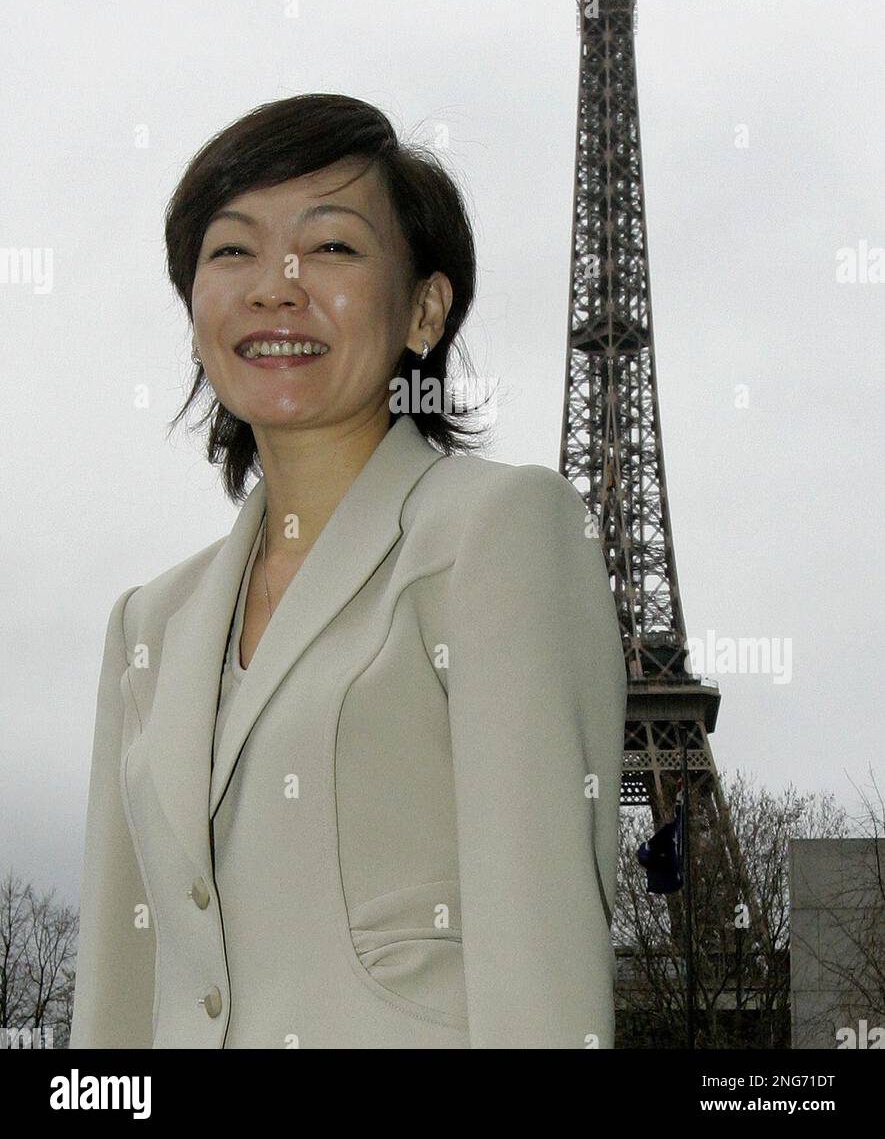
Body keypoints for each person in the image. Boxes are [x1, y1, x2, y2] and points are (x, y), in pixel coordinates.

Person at [69, 92, 627, 1049]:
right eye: (231, 250)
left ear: (423, 308)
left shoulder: (498, 534)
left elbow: (541, 967)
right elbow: (120, 994)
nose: (274, 287)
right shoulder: (148, 625)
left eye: (330, 248)